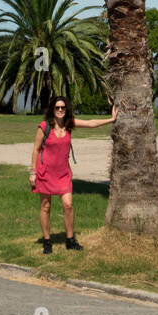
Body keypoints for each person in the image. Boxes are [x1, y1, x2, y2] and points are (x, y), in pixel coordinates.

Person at [28, 95, 117, 253]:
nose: (60, 110)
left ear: (66, 109)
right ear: (52, 110)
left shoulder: (69, 124)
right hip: (45, 172)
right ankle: (47, 241)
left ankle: (70, 240)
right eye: (57, 108)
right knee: (45, 206)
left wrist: (111, 119)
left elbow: (91, 123)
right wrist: (33, 172)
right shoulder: (44, 127)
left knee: (68, 204)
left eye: (63, 107)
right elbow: (36, 150)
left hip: (63, 173)